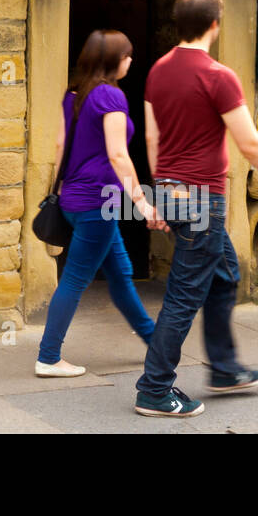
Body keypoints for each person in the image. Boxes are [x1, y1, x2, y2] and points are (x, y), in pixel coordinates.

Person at [133, 0, 258, 416]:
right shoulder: (218, 76)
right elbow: (250, 143)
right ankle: (154, 388)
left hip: (173, 192)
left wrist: (159, 194)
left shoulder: (157, 70)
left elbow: (152, 137)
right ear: (215, 24)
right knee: (182, 295)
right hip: (201, 200)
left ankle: (225, 369)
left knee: (225, 273)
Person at [36, 29, 165, 378]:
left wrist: (59, 189)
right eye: (127, 55)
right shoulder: (110, 96)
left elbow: (61, 146)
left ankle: (157, 344)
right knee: (75, 279)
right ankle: (48, 357)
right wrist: (142, 202)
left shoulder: (74, 93)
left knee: (121, 274)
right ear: (112, 60)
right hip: (97, 201)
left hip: (76, 199)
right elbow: (118, 154)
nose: (131, 60)